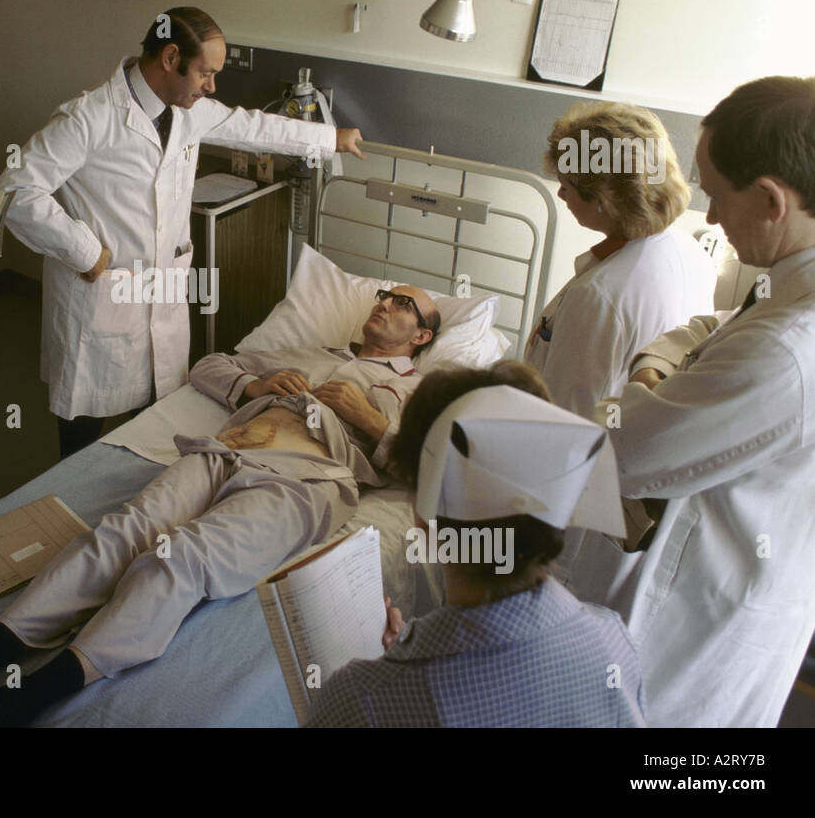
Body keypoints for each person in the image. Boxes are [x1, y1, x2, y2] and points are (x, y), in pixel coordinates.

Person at [0, 285, 440, 726]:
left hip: (306, 482)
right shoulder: (308, 352)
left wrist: (369, 419)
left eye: (402, 303)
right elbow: (209, 366)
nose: (385, 302)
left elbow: (427, 471)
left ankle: (19, 705)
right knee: (122, 532)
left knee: (185, 556)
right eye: (383, 294)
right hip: (226, 452)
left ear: (421, 337)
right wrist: (256, 385)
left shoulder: (418, 394)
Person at [0, 6, 367, 458]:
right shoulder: (88, 118)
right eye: (205, 73)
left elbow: (253, 126)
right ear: (171, 58)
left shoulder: (190, 112)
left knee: (154, 424)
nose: (212, 86)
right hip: (99, 296)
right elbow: (15, 192)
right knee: (83, 431)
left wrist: (330, 139)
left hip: (163, 295)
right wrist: (84, 250)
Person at [563, 76, 815, 727]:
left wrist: (646, 385)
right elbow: (711, 325)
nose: (707, 216)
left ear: (769, 200)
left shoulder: (787, 350)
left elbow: (623, 450)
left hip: (704, 636)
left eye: (713, 191)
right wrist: (656, 365)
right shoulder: (787, 291)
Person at [307, 362, 646, 727]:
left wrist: (403, 666)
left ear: (422, 515)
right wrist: (410, 647)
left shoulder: (364, 701)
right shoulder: (613, 641)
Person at [524, 101, 716, 417]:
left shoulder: (599, 295)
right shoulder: (690, 252)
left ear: (603, 201)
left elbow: (566, 418)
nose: (561, 196)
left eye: (566, 186)